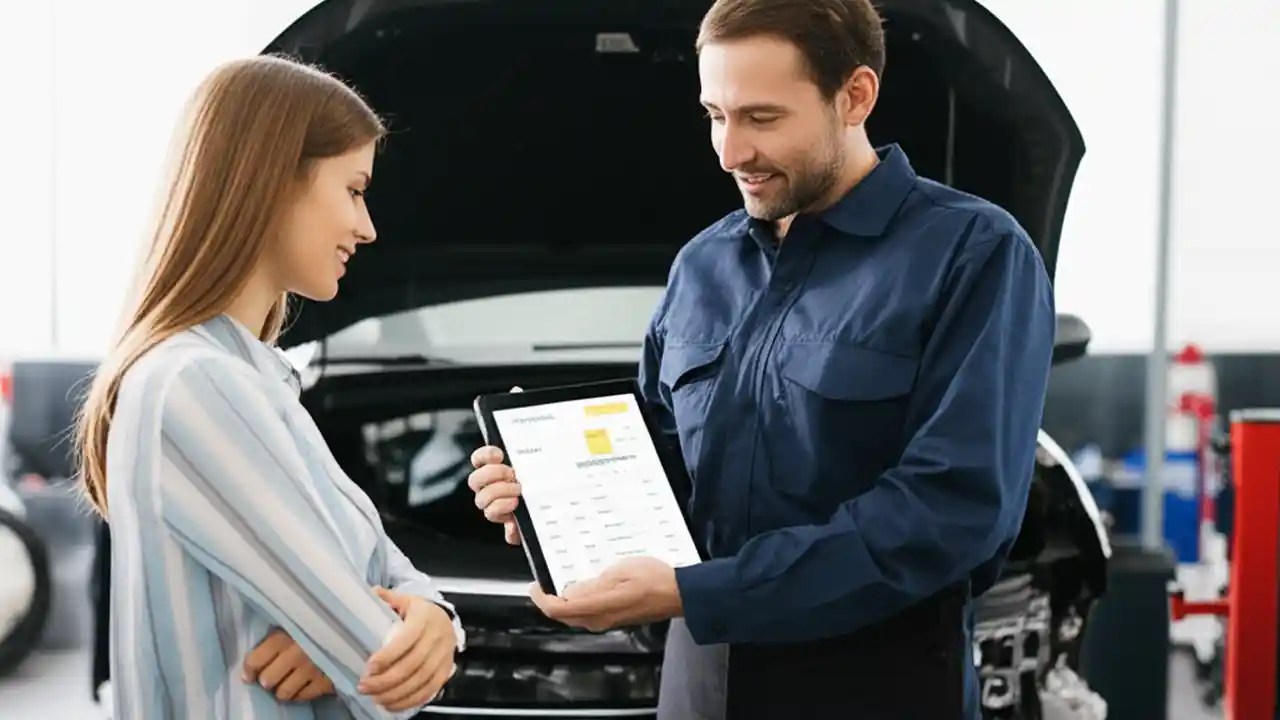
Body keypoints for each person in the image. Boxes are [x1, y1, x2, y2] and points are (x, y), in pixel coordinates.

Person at [467, 0, 1056, 718]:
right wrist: (554, 503)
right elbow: (666, 471)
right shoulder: (701, 266)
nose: (728, 151)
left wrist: (699, 593)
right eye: (715, 113)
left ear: (856, 96)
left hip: (876, 692)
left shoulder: (974, 255)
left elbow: (951, 512)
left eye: (762, 118)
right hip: (697, 692)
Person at [73, 55, 465, 720]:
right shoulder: (196, 384)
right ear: (274, 182)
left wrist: (431, 614)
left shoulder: (251, 378)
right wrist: (385, 625)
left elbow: (389, 602)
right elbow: (385, 669)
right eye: (353, 189)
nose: (367, 227)